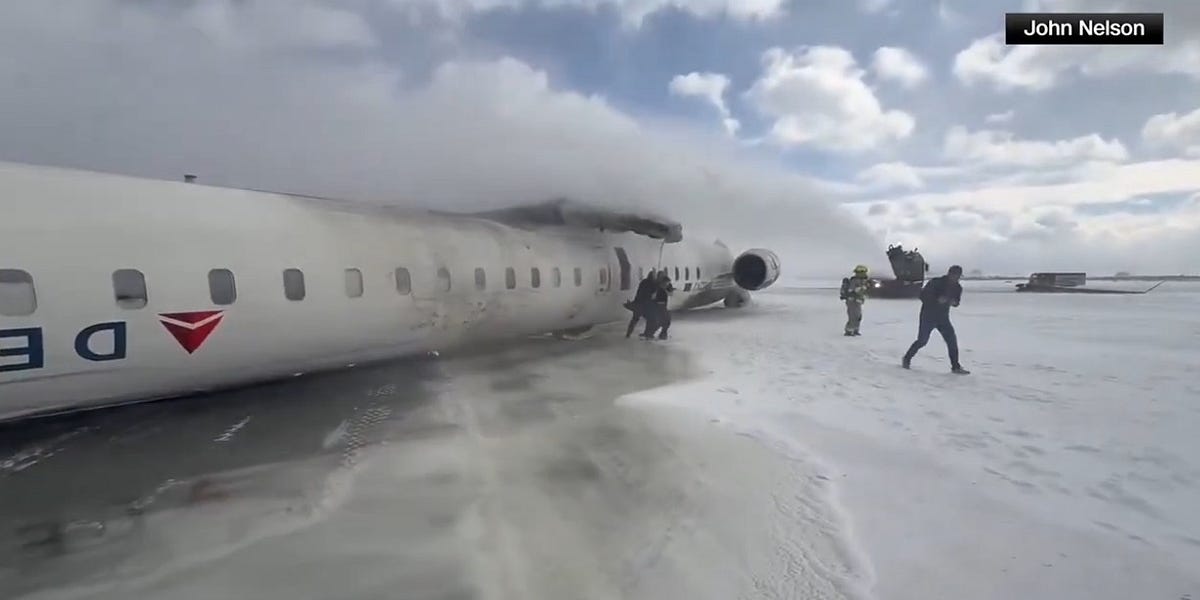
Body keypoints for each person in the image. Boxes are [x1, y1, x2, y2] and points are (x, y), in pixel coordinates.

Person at [903, 265, 970, 374]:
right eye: (955, 275)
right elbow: (922, 296)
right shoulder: (936, 282)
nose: (956, 278)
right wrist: (936, 300)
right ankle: (907, 359)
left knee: (952, 341)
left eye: (958, 276)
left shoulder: (958, 287)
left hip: (943, 318)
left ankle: (955, 367)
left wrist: (954, 302)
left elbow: (957, 302)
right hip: (928, 316)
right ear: (949, 274)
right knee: (922, 341)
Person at [626, 270, 659, 338]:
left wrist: (634, 302)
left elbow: (639, 293)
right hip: (646, 306)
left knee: (634, 320)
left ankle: (628, 334)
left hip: (638, 304)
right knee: (651, 320)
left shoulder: (643, 282)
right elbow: (653, 294)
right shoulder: (654, 284)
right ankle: (648, 333)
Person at [840, 265, 870, 336]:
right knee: (853, 316)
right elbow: (852, 290)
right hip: (852, 301)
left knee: (858, 316)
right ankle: (849, 330)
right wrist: (862, 288)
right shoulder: (854, 281)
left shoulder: (863, 281)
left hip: (858, 301)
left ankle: (855, 329)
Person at [643, 271, 674, 340]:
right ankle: (652, 333)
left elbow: (671, 294)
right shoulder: (656, 285)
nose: (667, 284)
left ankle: (658, 333)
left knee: (664, 320)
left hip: (663, 305)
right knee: (663, 320)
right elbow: (652, 296)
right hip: (657, 305)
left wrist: (665, 289)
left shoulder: (667, 286)